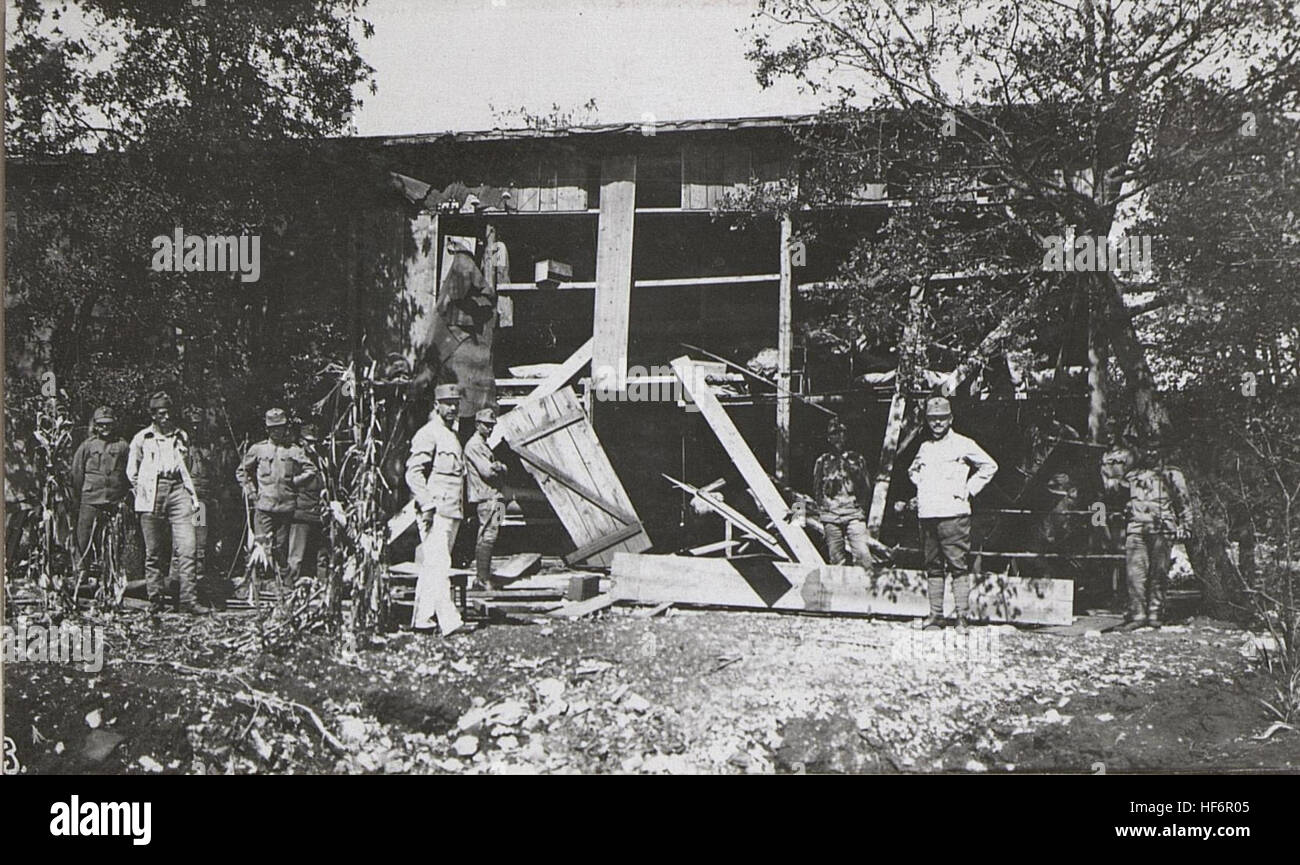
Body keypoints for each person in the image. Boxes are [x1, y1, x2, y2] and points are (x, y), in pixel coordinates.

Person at [908, 396, 998, 631]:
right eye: (932, 419)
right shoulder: (925, 447)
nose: (937, 423)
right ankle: (936, 615)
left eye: (942, 418)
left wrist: (967, 489)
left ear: (951, 419)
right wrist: (922, 485)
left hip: (953, 514)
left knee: (958, 566)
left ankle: (961, 617)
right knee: (933, 566)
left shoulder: (964, 444)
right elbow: (913, 471)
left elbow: (989, 466)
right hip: (928, 514)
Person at [127, 391, 207, 615]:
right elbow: (131, 472)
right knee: (154, 551)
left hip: (178, 490)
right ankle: (156, 599)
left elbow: (188, 464)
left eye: (169, 413)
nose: (166, 417)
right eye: (161, 413)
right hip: (151, 493)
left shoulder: (181, 436)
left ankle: (188, 600)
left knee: (187, 547)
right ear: (153, 415)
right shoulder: (142, 439)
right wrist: (142, 492)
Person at [405, 383, 467, 635]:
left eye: (456, 403)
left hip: (451, 509)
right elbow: (413, 472)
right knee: (440, 565)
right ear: (436, 405)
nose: (453, 407)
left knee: (433, 566)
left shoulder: (451, 435)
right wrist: (426, 503)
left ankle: (422, 619)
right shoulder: (428, 433)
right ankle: (451, 622)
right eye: (447, 403)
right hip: (435, 510)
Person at [235, 408, 316, 590]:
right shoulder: (258, 449)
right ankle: (252, 585)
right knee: (259, 545)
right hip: (263, 506)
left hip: (285, 507)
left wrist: (295, 481)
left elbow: (311, 470)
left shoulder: (293, 450)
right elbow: (242, 471)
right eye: (273, 428)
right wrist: (251, 492)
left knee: (280, 548)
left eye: (280, 427)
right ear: (267, 429)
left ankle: (282, 586)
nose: (277, 431)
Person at [1117, 434, 1191, 631]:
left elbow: (1183, 502)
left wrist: (1185, 525)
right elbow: (1117, 498)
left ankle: (1155, 614)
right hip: (1136, 529)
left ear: (1162, 450)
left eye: (1154, 448)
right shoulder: (1131, 476)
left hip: (1162, 529)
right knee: (1135, 574)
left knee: (1158, 573)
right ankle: (1138, 615)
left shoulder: (1172, 475)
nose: (1150, 452)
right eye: (1146, 448)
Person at [70, 406, 130, 578]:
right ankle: (81, 573)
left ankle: (110, 575)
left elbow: (129, 472)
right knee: (84, 535)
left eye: (108, 424)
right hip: (91, 498)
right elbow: (77, 473)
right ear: (95, 425)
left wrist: (124, 496)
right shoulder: (87, 446)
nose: (105, 428)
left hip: (113, 500)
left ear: (114, 424)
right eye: (101, 424)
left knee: (113, 537)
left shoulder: (123, 446)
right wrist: (79, 497)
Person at [811, 419, 875, 568]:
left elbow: (866, 487)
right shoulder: (822, 461)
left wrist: (860, 509)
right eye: (834, 434)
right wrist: (824, 510)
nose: (838, 438)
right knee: (836, 560)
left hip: (853, 515)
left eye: (842, 433)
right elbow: (816, 489)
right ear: (828, 438)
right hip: (831, 517)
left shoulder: (856, 459)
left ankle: (864, 590)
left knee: (863, 557)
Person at [464, 407, 508, 589]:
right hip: (486, 498)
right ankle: (482, 579)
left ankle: (484, 575)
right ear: (477, 425)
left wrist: (501, 468)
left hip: (497, 498)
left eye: (492, 426)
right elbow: (489, 472)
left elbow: (501, 470)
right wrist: (499, 468)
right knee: (487, 536)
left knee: (494, 533)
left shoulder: (484, 445)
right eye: (487, 425)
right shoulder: (474, 446)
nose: (490, 429)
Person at [290, 421, 324, 580]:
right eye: (310, 442)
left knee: (316, 555)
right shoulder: (295, 460)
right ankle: (290, 589)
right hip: (300, 512)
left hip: (317, 512)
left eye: (315, 442)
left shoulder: (320, 460)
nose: (313, 446)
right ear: (301, 441)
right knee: (297, 556)